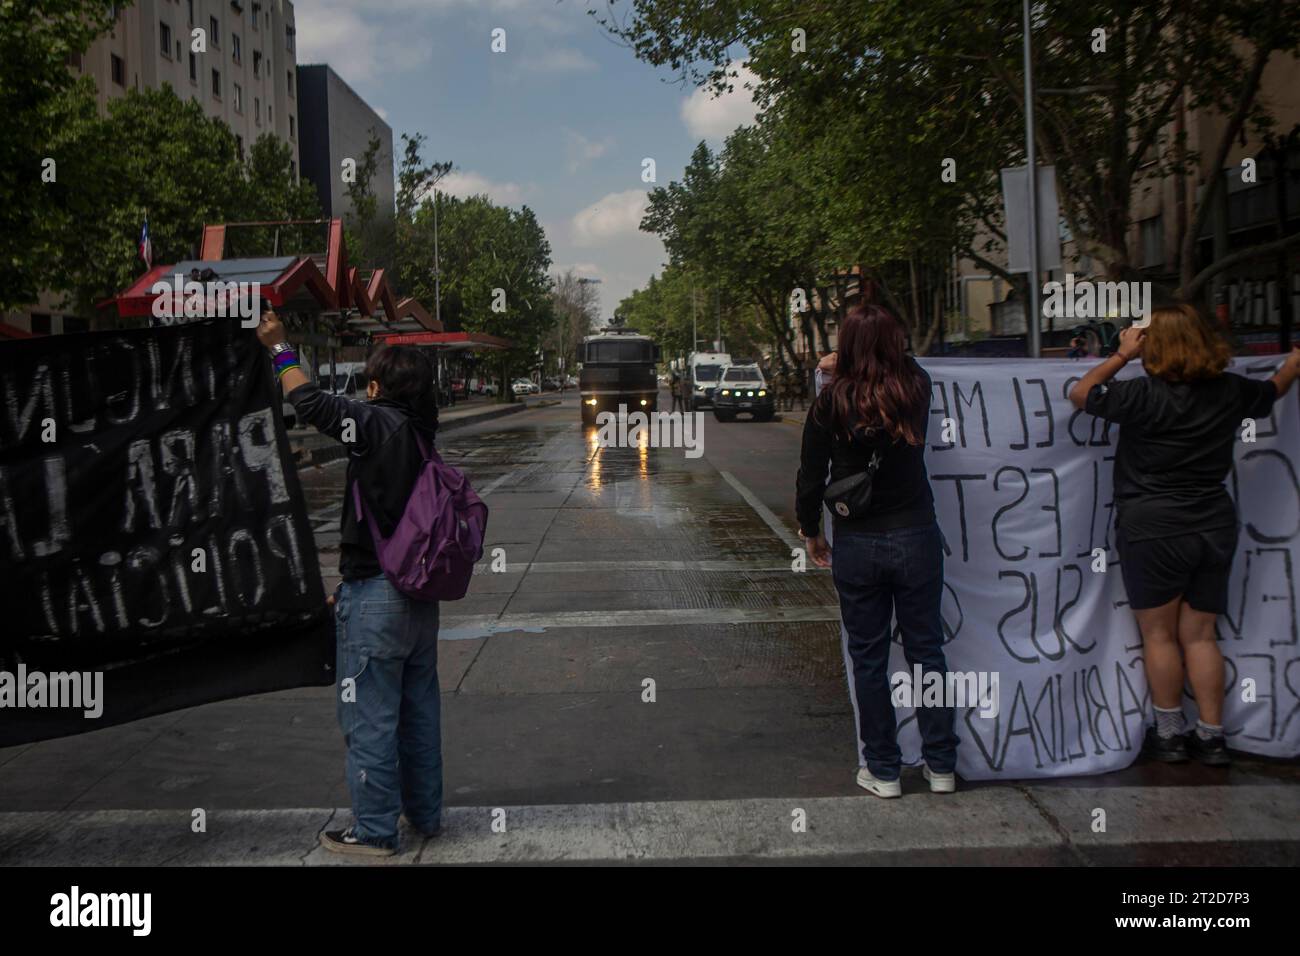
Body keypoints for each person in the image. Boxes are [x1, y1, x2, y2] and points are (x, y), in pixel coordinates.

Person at [1068, 303, 1300, 766]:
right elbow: (1273, 391)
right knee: (1200, 635)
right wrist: (1293, 364)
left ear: (1153, 345)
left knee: (1159, 636)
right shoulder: (1230, 391)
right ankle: (1213, 737)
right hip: (1213, 523)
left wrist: (1120, 355)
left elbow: (1082, 393)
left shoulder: (1140, 395)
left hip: (1152, 526)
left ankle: (1171, 734)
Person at [256, 310, 444, 856]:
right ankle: (425, 814)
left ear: (379, 385)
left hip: (377, 599)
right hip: (417, 599)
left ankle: (376, 831)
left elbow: (310, 403)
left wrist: (280, 348)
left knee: (370, 721)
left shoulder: (376, 423)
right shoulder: (421, 432)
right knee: (418, 714)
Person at [795, 303, 959, 798]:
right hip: (916, 536)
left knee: (868, 658)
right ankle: (942, 765)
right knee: (927, 651)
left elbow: (810, 475)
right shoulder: (916, 389)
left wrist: (810, 531)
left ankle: (884, 769)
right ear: (896, 343)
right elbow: (910, 365)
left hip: (859, 542)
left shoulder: (831, 402)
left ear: (847, 348)